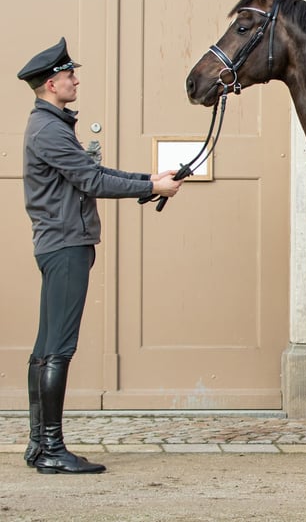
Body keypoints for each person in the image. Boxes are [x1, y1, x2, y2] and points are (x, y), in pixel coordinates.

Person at [17, 37, 184, 474]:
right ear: (52, 83)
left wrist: (148, 179)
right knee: (58, 348)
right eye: (70, 75)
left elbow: (93, 173)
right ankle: (51, 448)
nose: (75, 80)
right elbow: (92, 182)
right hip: (66, 245)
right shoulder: (49, 129)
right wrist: (151, 188)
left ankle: (39, 445)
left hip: (61, 242)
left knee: (44, 349)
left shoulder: (50, 125)